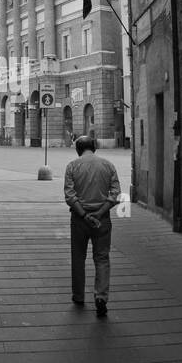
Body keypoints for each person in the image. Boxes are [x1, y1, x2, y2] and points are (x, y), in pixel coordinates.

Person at [63, 135, 121, 318]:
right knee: (102, 258)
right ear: (94, 148)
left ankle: (79, 295)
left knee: (78, 257)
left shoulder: (72, 166)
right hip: (102, 219)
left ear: (78, 150)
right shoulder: (108, 165)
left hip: (80, 219)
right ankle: (101, 297)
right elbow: (115, 193)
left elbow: (70, 195)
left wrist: (85, 215)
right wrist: (99, 212)